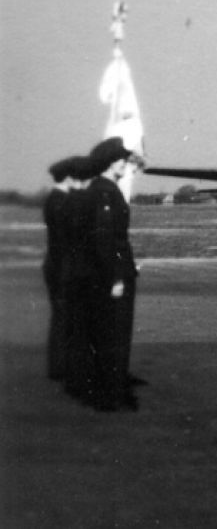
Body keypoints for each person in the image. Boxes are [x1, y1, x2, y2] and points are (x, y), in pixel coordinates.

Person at [79, 137, 141, 411]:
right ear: (111, 162)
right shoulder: (104, 192)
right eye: (123, 160)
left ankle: (109, 389)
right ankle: (110, 394)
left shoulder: (101, 189)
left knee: (109, 334)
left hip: (110, 272)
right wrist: (116, 277)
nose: (126, 165)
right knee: (113, 335)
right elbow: (105, 240)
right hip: (111, 277)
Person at [43, 155, 91, 381]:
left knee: (61, 317)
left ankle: (58, 366)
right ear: (69, 178)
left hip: (56, 263)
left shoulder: (54, 199)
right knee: (64, 319)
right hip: (63, 265)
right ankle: (61, 368)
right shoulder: (61, 202)